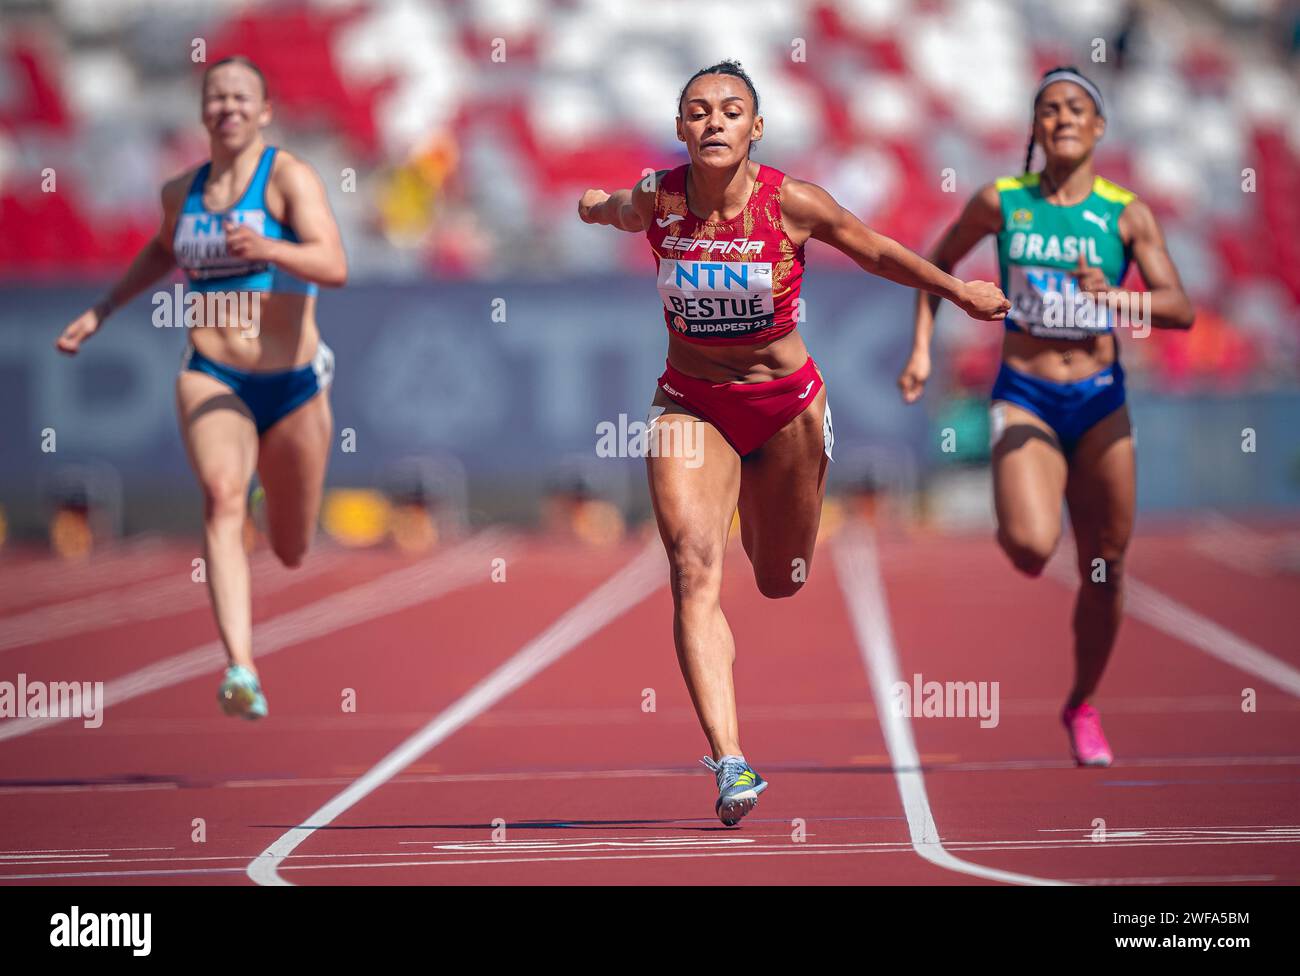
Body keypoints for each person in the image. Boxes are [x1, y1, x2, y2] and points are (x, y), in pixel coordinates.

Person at [579, 60, 1010, 824]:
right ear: (681, 129)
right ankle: (731, 761)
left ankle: (772, 501)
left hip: (785, 410)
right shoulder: (661, 196)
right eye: (699, 111)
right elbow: (619, 208)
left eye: (732, 110)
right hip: (690, 402)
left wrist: (957, 291)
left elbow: (874, 248)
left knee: (780, 578)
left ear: (757, 128)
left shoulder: (792, 203)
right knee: (691, 563)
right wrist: (593, 207)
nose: (715, 122)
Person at [898, 66, 1194, 766]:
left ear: (1098, 128)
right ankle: (1030, 510)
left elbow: (1179, 308)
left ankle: (1081, 702)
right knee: (1032, 548)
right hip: (1026, 392)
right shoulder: (1002, 202)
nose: (1061, 118)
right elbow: (933, 267)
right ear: (1034, 129)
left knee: (1108, 566)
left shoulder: (1126, 213)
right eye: (1048, 109)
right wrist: (919, 351)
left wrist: (1119, 301)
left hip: (1099, 399)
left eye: (1075, 108)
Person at [55, 55, 348, 719]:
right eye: (217, 96)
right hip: (212, 372)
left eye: (242, 96)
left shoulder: (287, 179)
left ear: (264, 111)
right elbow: (162, 250)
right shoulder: (179, 194)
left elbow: (333, 265)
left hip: (295, 382)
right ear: (202, 112)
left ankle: (275, 483)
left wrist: (270, 249)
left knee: (292, 546)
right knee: (221, 497)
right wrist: (103, 310)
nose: (229, 106)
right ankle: (241, 668)